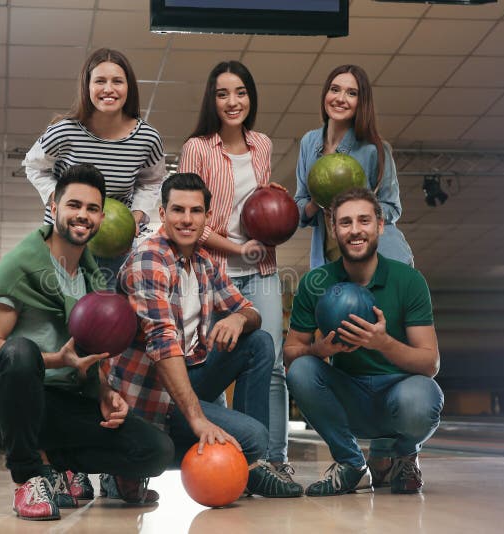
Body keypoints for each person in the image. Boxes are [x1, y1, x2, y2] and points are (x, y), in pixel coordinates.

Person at [0, 164, 173, 521]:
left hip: (62, 403)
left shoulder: (93, 277)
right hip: (10, 404)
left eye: (92, 209)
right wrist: (55, 360)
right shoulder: (21, 265)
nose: (83, 215)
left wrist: (107, 393)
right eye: (74, 205)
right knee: (20, 352)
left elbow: (92, 359)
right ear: (54, 205)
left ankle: (58, 465)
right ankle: (29, 476)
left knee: (155, 451)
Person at [107, 173, 302, 498]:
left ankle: (254, 470)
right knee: (253, 438)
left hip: (186, 380)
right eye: (178, 210)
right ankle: (127, 463)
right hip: (149, 400)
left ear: (207, 217)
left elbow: (250, 311)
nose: (186, 219)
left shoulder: (203, 262)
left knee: (258, 342)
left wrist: (238, 320)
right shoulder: (149, 260)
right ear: (162, 214)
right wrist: (197, 419)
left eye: (195, 211)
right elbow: (162, 344)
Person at [177, 60, 298, 489]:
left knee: (273, 364)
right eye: (223, 93)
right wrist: (236, 248)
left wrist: (274, 196)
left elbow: (256, 203)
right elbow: (193, 219)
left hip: (261, 269)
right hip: (214, 272)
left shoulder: (262, 144)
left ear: (251, 97)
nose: (233, 101)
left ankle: (270, 461)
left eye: (241, 92)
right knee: (212, 362)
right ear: (212, 100)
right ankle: (230, 454)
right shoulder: (197, 148)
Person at [284, 188, 443, 496]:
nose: (355, 230)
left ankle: (405, 456)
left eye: (363, 220)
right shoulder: (315, 284)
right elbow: (291, 353)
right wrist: (320, 350)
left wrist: (382, 343)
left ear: (379, 226)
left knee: (422, 397)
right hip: (350, 397)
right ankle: (352, 465)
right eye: (345, 222)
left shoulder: (408, 281)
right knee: (301, 369)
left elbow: (430, 363)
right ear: (333, 229)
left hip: (398, 396)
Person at [23, 47, 166, 288]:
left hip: (114, 246)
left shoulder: (147, 138)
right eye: (100, 81)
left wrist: (138, 215)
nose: (108, 89)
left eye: (117, 81)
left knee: (106, 318)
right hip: (63, 240)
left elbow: (151, 180)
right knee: (63, 314)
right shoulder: (64, 131)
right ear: (87, 87)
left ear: (128, 87)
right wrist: (58, 201)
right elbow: (33, 166)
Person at [294, 64, 413, 270]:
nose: (340, 98)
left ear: (361, 102)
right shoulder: (309, 142)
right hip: (332, 258)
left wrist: (359, 209)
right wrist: (317, 202)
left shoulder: (375, 148)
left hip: (381, 256)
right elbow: (300, 207)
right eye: (335, 89)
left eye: (352, 93)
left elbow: (393, 208)